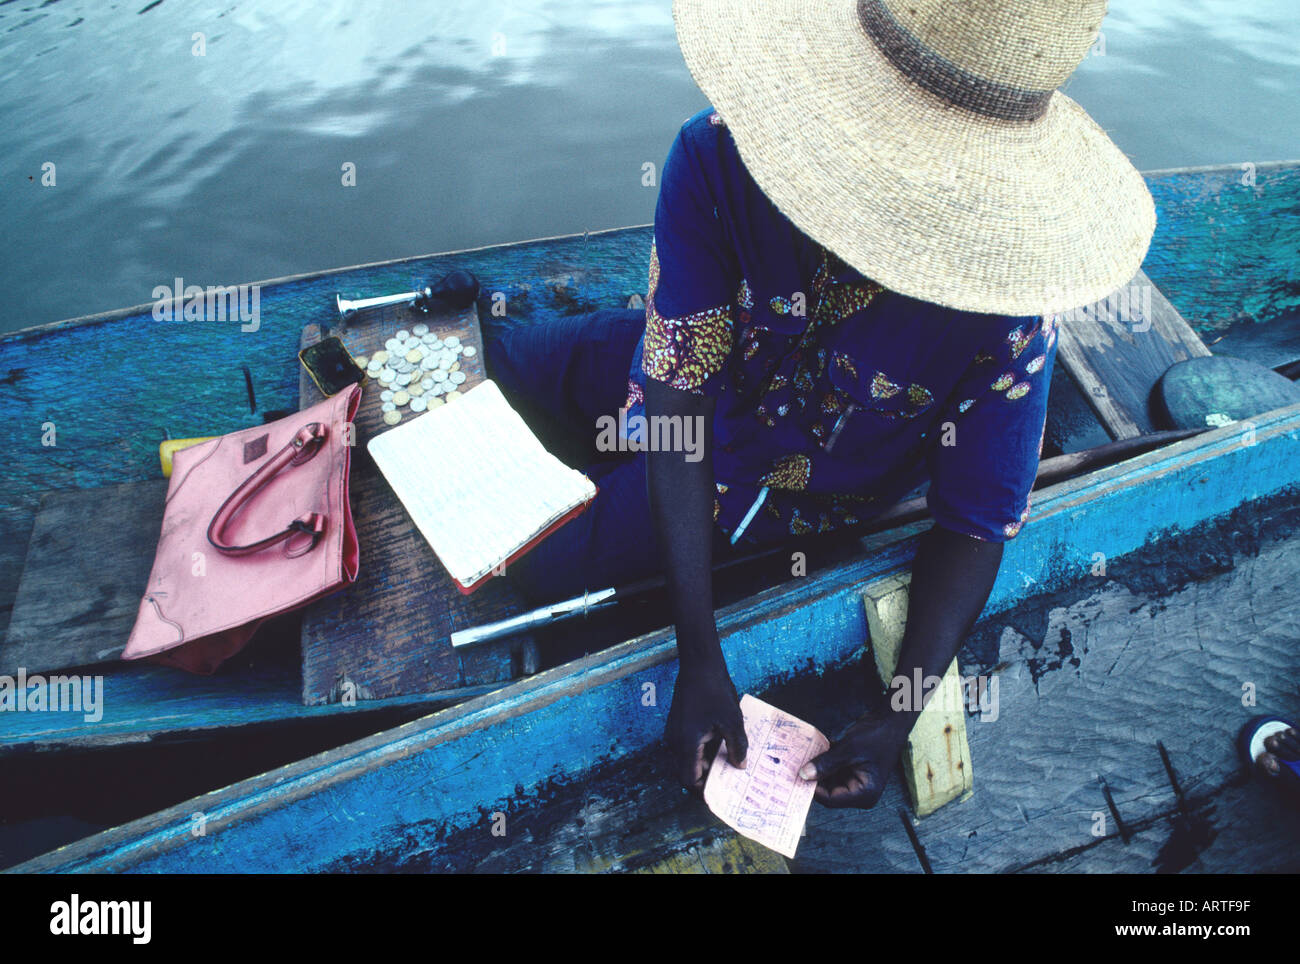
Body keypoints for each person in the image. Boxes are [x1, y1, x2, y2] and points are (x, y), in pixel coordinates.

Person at [487, 0, 1154, 809]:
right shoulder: (718, 155)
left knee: (528, 574)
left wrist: (894, 718)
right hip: (683, 365)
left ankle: (594, 489)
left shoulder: (1009, 311)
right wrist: (699, 653)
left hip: (769, 485)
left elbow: (973, 524)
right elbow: (676, 399)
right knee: (500, 359)